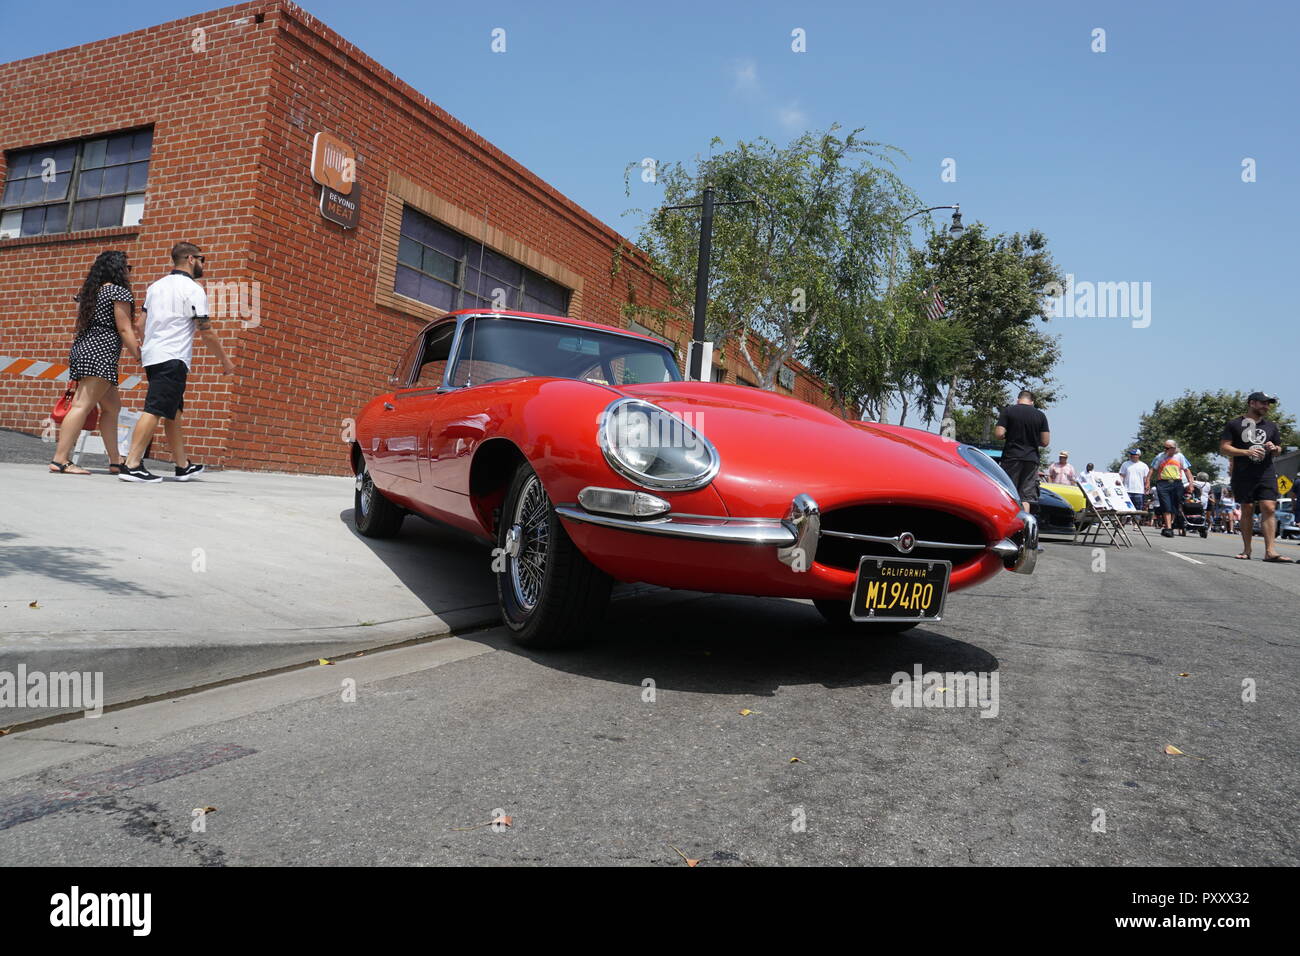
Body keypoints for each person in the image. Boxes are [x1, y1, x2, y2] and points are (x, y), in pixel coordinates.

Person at [118, 242, 234, 483]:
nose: (204, 264)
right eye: (202, 259)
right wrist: (225, 361)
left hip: (154, 355)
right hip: (173, 358)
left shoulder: (155, 286)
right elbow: (206, 331)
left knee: (173, 412)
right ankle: (131, 464)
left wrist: (146, 348)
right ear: (191, 259)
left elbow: (140, 324)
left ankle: (183, 466)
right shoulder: (193, 289)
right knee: (155, 409)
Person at [48, 250, 143, 475]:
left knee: (112, 408)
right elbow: (124, 327)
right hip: (101, 353)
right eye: (127, 269)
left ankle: (115, 460)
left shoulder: (90, 292)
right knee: (81, 405)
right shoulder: (117, 291)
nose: (129, 274)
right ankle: (61, 459)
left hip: (84, 349)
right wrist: (139, 355)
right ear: (118, 270)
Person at [1220, 392, 1292, 562]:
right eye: (1263, 403)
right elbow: (1224, 448)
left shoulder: (1271, 426)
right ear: (1252, 403)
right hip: (1243, 474)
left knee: (1269, 507)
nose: (1266, 407)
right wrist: (1246, 452)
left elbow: (1279, 449)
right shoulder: (1234, 424)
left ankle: (1270, 551)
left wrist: (1274, 448)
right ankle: (1247, 550)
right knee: (1247, 509)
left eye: (1268, 404)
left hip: (1266, 472)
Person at [994, 389, 1050, 513]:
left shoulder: (1008, 411)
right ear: (1032, 402)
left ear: (1017, 399)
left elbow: (999, 434)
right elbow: (1045, 442)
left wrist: (1007, 435)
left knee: (1009, 493)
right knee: (1026, 498)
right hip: (1031, 459)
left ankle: (1008, 524)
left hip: (1011, 457)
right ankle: (1024, 527)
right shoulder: (1040, 415)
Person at [1145, 439, 1193, 538]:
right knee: (1166, 505)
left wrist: (1191, 484)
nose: (1165, 450)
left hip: (1176, 483)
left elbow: (1187, 470)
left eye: (1167, 448)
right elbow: (1152, 469)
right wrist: (1148, 481)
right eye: (1164, 448)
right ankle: (1168, 528)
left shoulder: (1180, 456)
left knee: (1175, 506)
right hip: (1163, 483)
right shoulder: (1160, 456)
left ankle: (1170, 525)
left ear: (1174, 448)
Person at [1118, 448, 1149, 513]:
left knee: (1138, 509)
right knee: (1126, 508)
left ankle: (1136, 522)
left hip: (1139, 491)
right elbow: (1122, 475)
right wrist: (1119, 483)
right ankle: (1128, 521)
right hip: (1127, 490)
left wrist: (1147, 487)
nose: (1132, 455)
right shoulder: (1125, 464)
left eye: (1134, 454)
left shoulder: (1144, 466)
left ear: (1138, 455)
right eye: (1131, 454)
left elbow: (1146, 478)